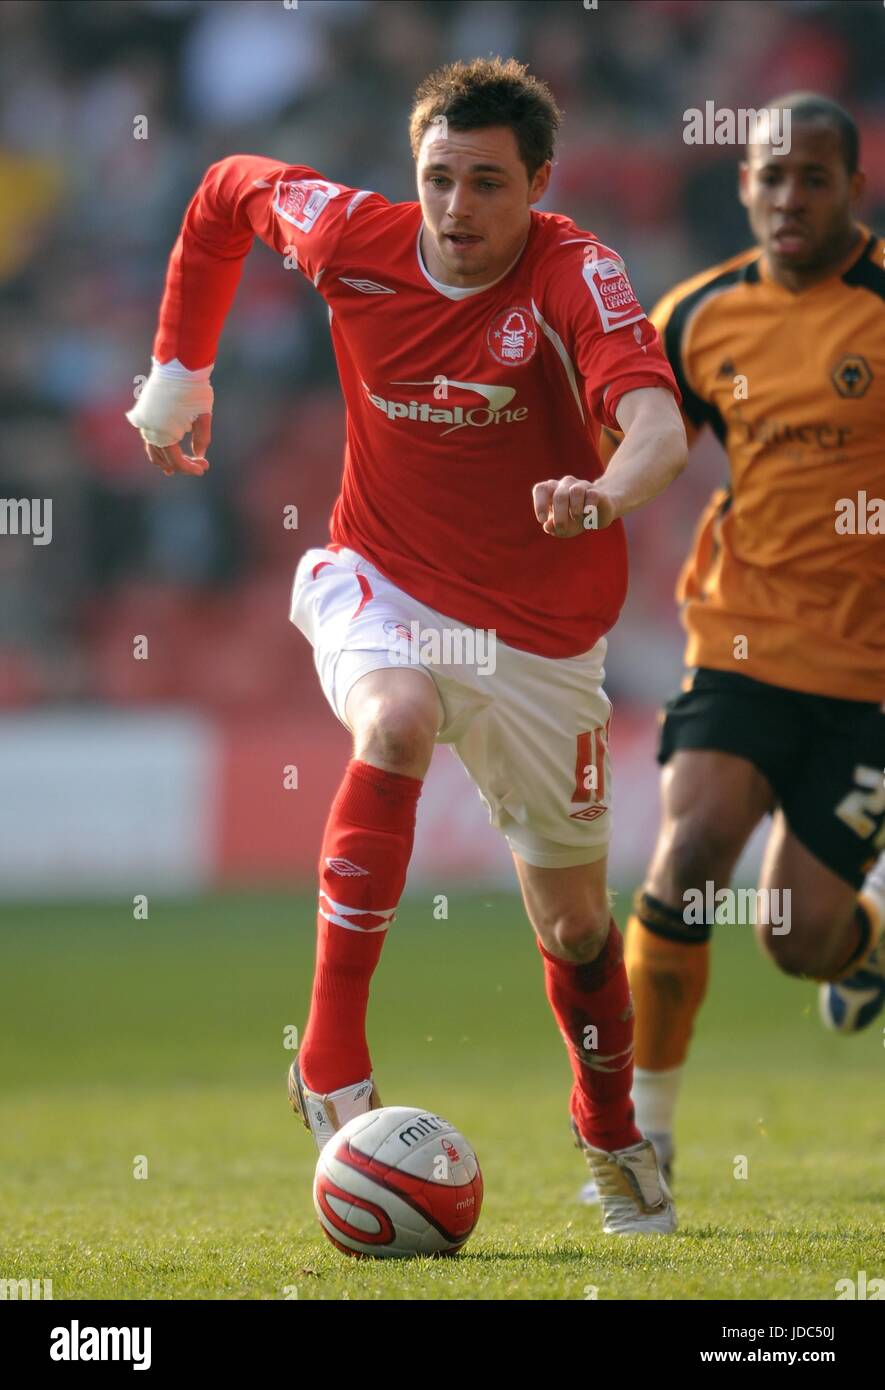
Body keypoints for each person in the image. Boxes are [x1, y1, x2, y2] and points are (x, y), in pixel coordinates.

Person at [126, 57, 687, 1235]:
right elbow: (227, 189)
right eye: (440, 178)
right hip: (379, 579)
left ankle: (608, 1129)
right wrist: (180, 372)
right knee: (395, 719)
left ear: (539, 182)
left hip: (542, 640)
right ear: (413, 172)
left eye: (488, 184)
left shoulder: (576, 270)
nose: (457, 208)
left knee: (579, 928)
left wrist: (601, 491)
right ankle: (330, 1055)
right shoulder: (351, 238)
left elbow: (654, 424)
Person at [588, 93, 885, 1197]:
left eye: (813, 177)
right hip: (741, 638)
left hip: (867, 679)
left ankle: (866, 939)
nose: (788, 197)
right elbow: (641, 443)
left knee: (800, 938)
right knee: (691, 852)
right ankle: (638, 1141)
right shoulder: (699, 316)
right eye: (770, 176)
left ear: (853, 186)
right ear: (743, 184)